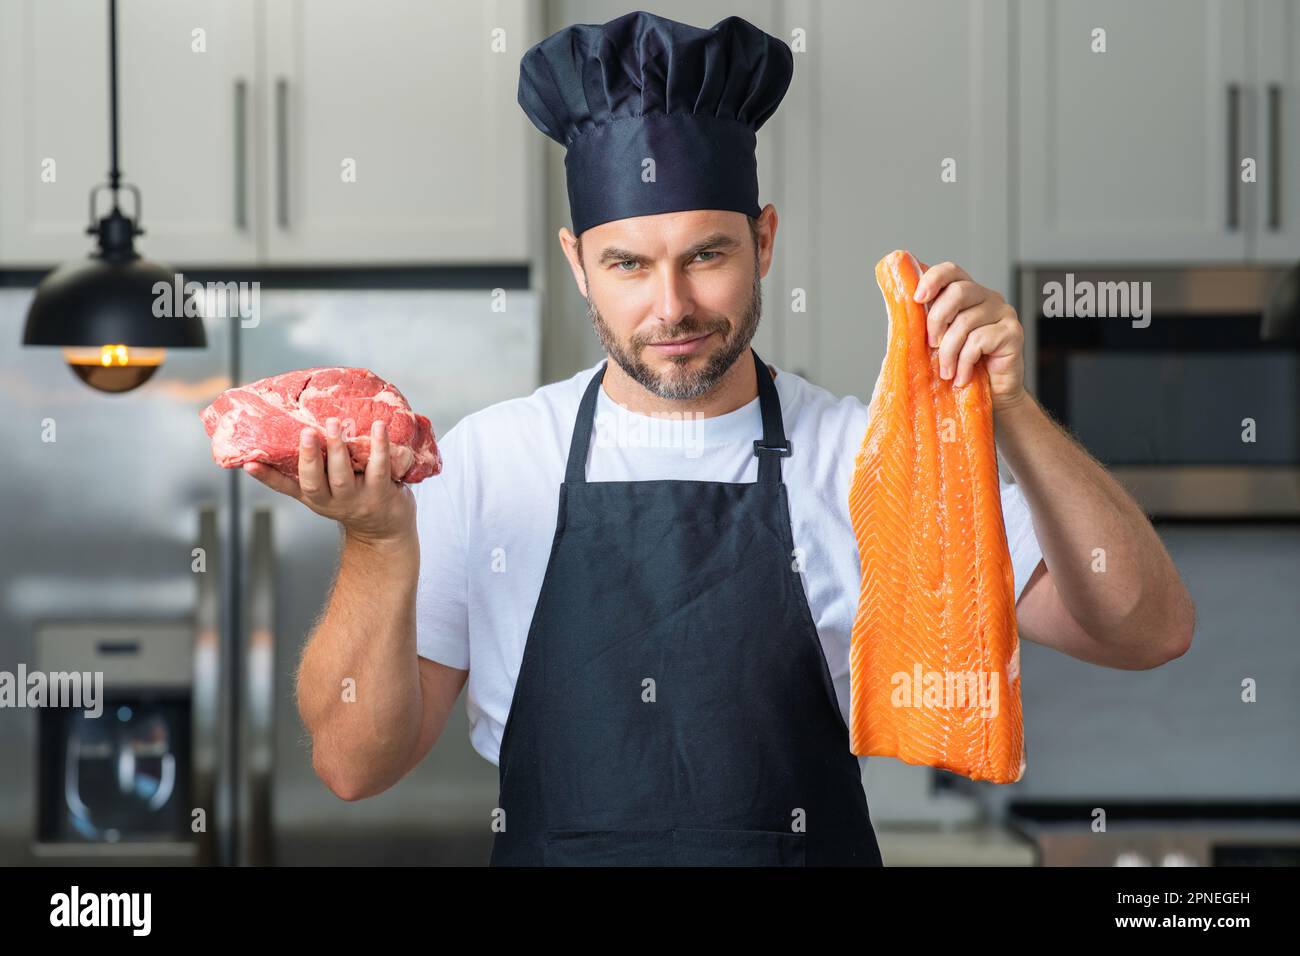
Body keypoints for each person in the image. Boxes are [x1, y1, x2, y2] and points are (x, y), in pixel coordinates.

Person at [245, 11, 1195, 866]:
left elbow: (1148, 632)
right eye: (628, 264)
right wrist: (375, 544)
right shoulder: (492, 461)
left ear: (765, 241)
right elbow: (352, 767)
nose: (673, 307)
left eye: (707, 254)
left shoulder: (871, 458)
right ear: (580, 263)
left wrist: (1012, 410)